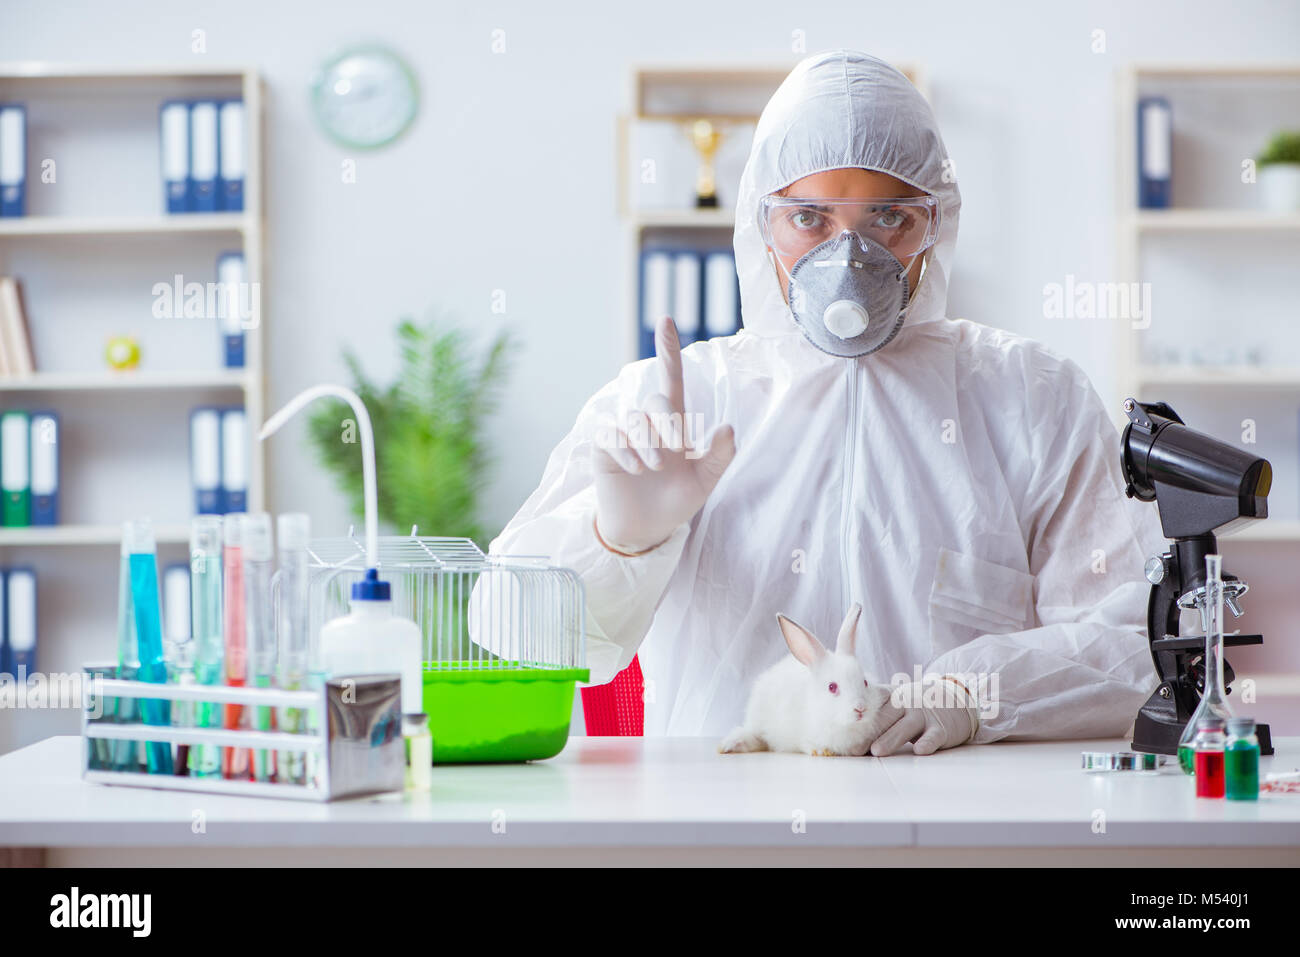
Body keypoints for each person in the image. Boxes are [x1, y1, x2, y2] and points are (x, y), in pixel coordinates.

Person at [490, 50, 1167, 755]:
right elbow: (509, 629)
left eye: (889, 219)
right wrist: (617, 543)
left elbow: (1137, 639)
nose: (850, 257)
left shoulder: (1031, 397)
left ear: (936, 224)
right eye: (809, 218)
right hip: (723, 819)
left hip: (961, 823)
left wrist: (973, 693)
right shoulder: (677, 403)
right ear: (764, 226)